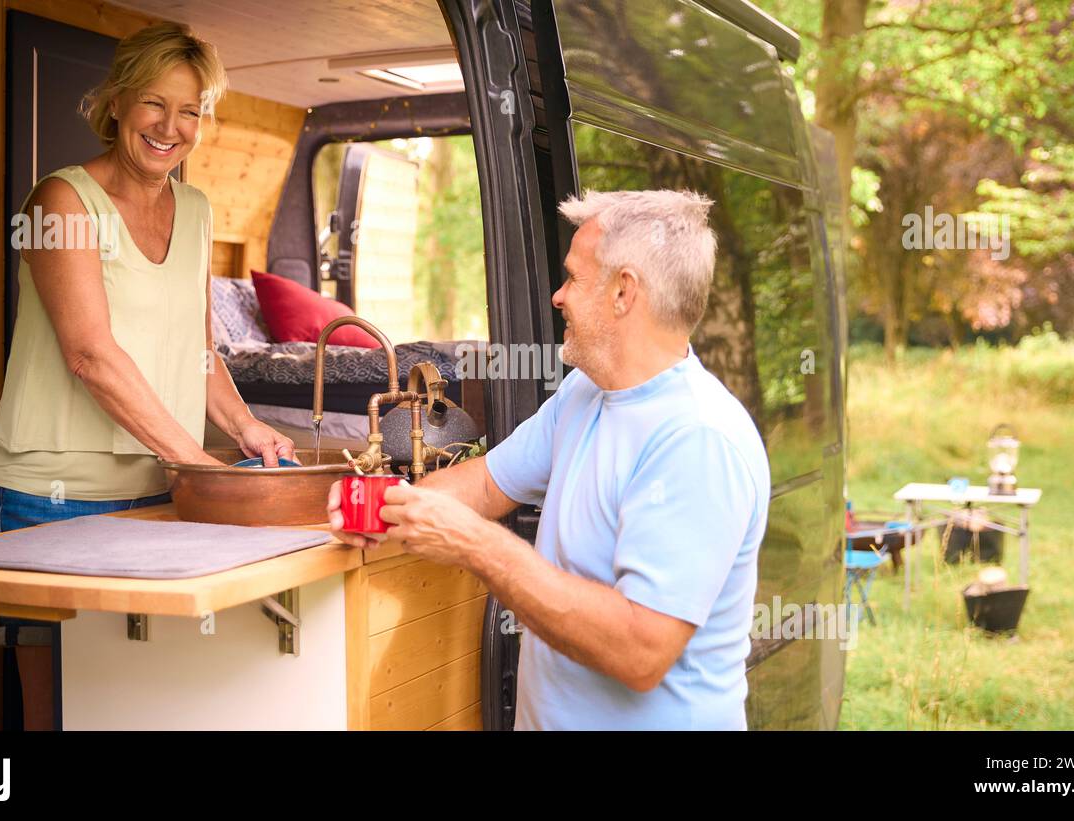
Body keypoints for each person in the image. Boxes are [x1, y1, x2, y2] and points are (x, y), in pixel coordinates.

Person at [328, 189, 772, 730]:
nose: (558, 297)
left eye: (573, 279)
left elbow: (639, 653)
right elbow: (486, 485)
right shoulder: (584, 394)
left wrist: (475, 544)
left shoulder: (698, 440)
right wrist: (379, 507)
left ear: (623, 293)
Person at [0, 22, 294, 729]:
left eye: (191, 111)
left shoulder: (196, 209)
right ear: (117, 101)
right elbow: (90, 354)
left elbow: (197, 347)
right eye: (156, 103)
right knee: (57, 712)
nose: (170, 126)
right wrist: (192, 459)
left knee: (128, 706)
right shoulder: (59, 203)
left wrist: (247, 428)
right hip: (49, 499)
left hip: (154, 492)